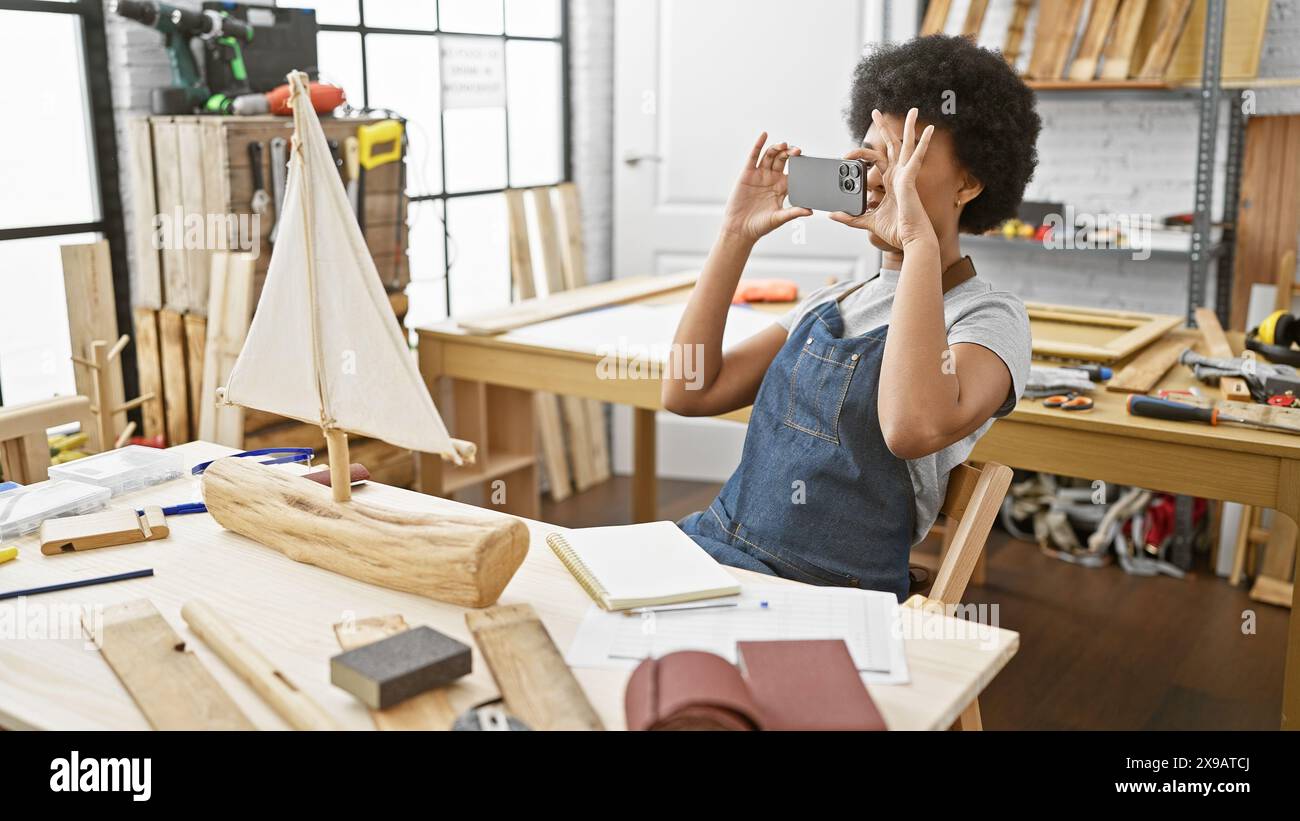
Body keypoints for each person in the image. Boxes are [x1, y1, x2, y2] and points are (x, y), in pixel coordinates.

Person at [665, 35, 1041, 600]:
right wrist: (734, 235)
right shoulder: (833, 301)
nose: (880, 172)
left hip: (831, 593)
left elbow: (911, 428)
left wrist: (916, 245)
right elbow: (689, 391)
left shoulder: (989, 317)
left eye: (905, 154)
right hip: (715, 547)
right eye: (871, 151)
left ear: (968, 182)